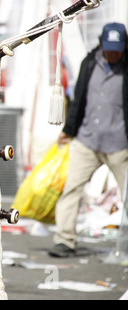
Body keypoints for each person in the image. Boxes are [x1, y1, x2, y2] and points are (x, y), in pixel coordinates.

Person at [49, 23, 128, 258]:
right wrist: (68, 129)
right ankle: (64, 240)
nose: (114, 53)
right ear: (101, 44)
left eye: (119, 49)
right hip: (87, 141)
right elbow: (79, 99)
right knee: (71, 190)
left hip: (119, 145)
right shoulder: (89, 62)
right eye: (110, 48)